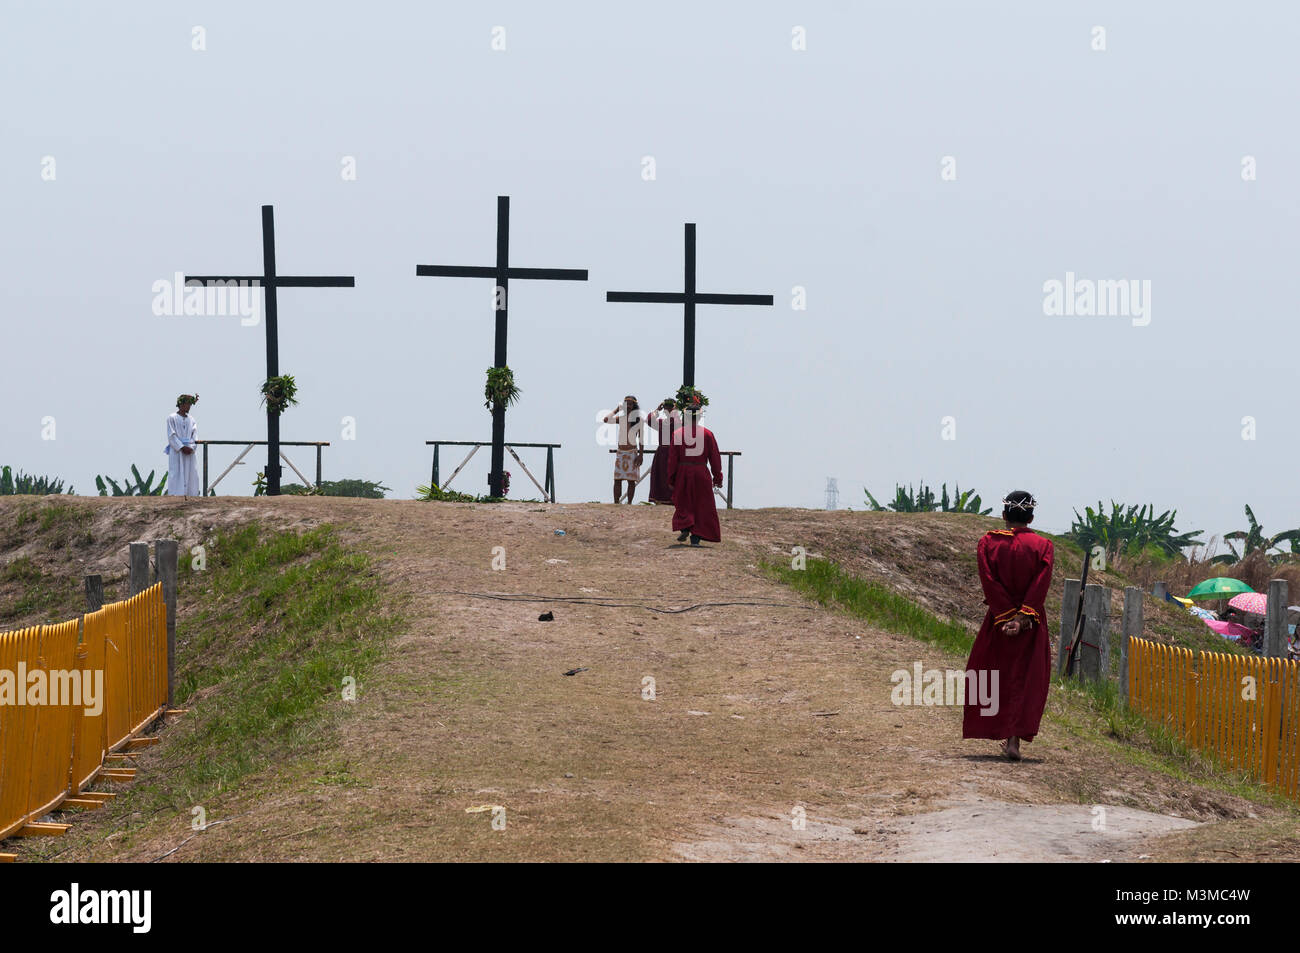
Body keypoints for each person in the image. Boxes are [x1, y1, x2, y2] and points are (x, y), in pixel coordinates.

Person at [963, 490, 1053, 761]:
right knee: (1025, 679)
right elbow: (1041, 585)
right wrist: (1023, 617)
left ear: (1004, 516)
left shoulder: (988, 543)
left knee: (992, 675)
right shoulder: (1043, 546)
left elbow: (988, 582)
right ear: (1032, 517)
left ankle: (999, 731)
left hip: (998, 622)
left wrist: (1006, 616)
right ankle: (1013, 740)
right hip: (1031, 623)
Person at [666, 393, 722, 545]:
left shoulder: (677, 434)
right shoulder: (708, 434)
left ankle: (685, 526)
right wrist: (718, 477)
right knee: (702, 504)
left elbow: (672, 459)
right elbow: (715, 458)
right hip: (701, 471)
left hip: (683, 471)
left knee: (684, 501)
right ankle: (696, 536)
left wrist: (671, 477)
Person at [603, 396, 644, 503]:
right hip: (621, 452)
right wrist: (616, 410)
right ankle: (616, 502)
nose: (629, 406)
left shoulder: (638, 420)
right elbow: (606, 420)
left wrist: (641, 455)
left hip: (632, 452)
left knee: (631, 481)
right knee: (617, 480)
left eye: (630, 404)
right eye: (627, 404)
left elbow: (641, 439)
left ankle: (629, 503)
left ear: (634, 406)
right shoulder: (621, 418)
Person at [645, 398, 680, 505]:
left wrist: (673, 410)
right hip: (664, 452)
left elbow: (675, 421)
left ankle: (672, 498)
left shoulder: (676, 422)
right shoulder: (662, 423)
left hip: (672, 451)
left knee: (672, 475)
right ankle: (662, 498)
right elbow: (649, 420)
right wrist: (659, 409)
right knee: (662, 476)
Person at [165, 394, 201, 497]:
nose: (189, 407)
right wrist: (181, 447)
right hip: (177, 451)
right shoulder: (172, 418)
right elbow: (171, 435)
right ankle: (175, 494)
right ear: (181, 404)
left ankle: (191, 494)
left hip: (189, 450)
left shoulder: (192, 419)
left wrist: (191, 447)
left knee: (191, 472)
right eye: (187, 404)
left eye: (190, 405)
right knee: (176, 472)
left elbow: (194, 435)